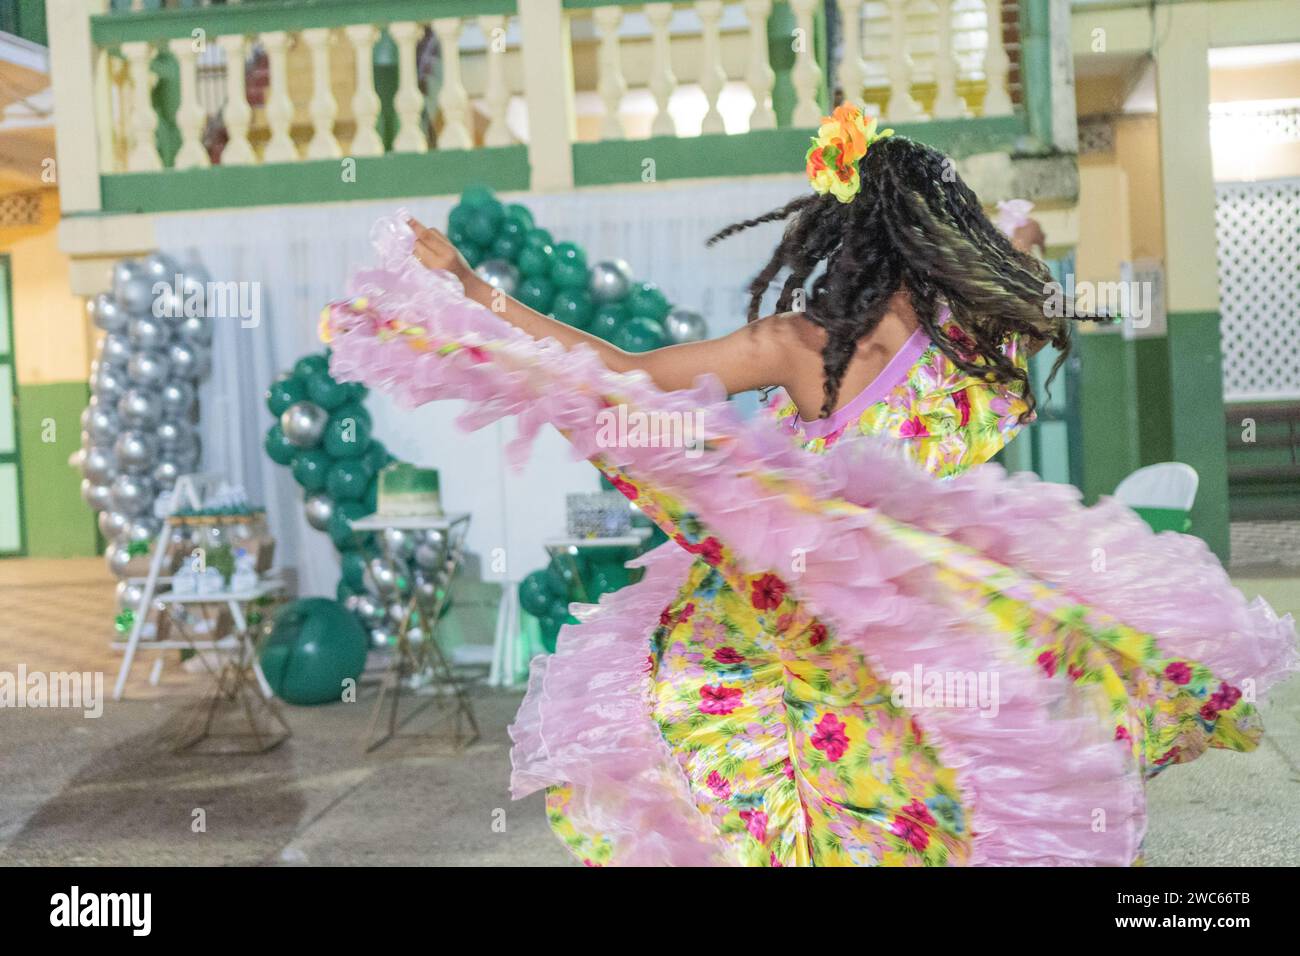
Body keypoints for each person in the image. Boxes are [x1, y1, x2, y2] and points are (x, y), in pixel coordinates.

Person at [323, 105, 1297, 866]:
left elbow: (616, 372)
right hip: (927, 617)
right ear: (936, 228)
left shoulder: (804, 345)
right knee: (945, 794)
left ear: (843, 232)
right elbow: (1026, 251)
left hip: (797, 641)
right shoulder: (976, 342)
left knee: (797, 811)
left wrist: (481, 297)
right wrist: (1005, 229)